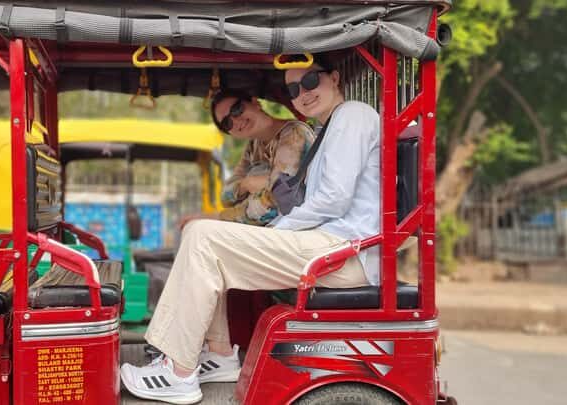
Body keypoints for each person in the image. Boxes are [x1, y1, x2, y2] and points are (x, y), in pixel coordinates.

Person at [120, 55, 381, 404]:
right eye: (292, 88)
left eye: (309, 82)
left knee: (201, 235)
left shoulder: (352, 116)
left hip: (344, 252)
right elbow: (236, 189)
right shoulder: (328, 128)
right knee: (202, 236)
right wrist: (259, 198)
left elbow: (331, 199)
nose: (302, 93)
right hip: (329, 243)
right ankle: (220, 353)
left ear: (334, 78)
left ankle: (179, 373)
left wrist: (279, 232)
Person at [181, 90, 314, 227]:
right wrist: (247, 183)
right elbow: (225, 196)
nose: (236, 121)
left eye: (237, 109)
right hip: (275, 228)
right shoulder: (254, 144)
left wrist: (217, 217)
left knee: (199, 230)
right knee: (194, 229)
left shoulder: (294, 135)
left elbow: (271, 206)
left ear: (255, 102)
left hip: (300, 226)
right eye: (227, 123)